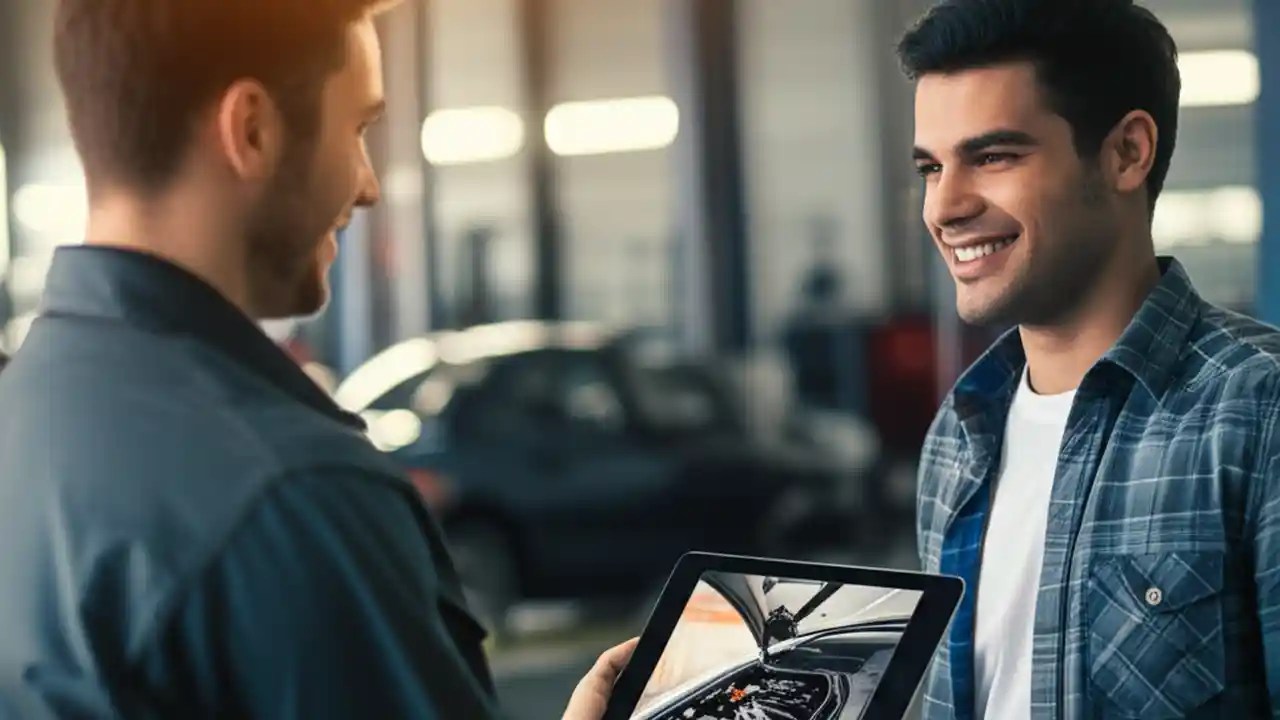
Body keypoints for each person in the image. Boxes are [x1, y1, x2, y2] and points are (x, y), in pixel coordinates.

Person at [0, 1, 632, 718]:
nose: (367, 184)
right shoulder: (293, 495)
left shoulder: (26, 411)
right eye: (359, 128)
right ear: (253, 130)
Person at [900, 1, 1280, 718]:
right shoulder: (959, 434)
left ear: (1126, 153)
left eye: (992, 156)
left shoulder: (1259, 415)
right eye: (930, 167)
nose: (944, 206)